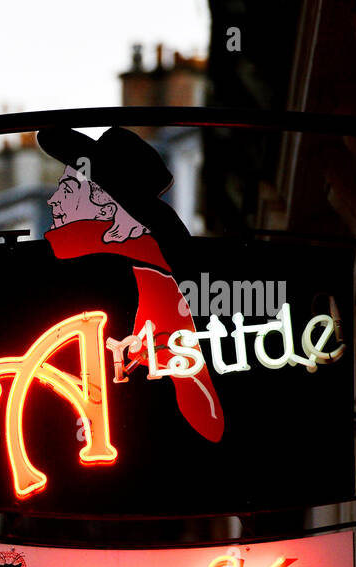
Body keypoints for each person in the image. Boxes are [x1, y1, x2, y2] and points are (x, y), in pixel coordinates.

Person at [38, 126, 224, 443]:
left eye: (68, 190)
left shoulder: (136, 284)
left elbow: (202, 418)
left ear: (108, 208)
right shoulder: (111, 278)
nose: (53, 201)